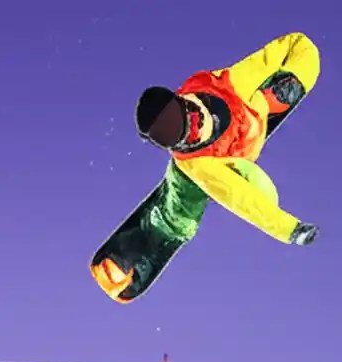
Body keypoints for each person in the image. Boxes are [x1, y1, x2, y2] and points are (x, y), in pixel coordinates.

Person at [134, 31, 322, 248]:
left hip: (252, 122)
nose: (190, 136)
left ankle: (275, 96)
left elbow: (299, 44)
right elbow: (239, 197)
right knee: (188, 192)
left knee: (267, 93)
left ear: (188, 104)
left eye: (191, 123)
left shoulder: (230, 83)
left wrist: (297, 78)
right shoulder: (196, 163)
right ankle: (172, 224)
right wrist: (289, 229)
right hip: (228, 164)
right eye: (175, 139)